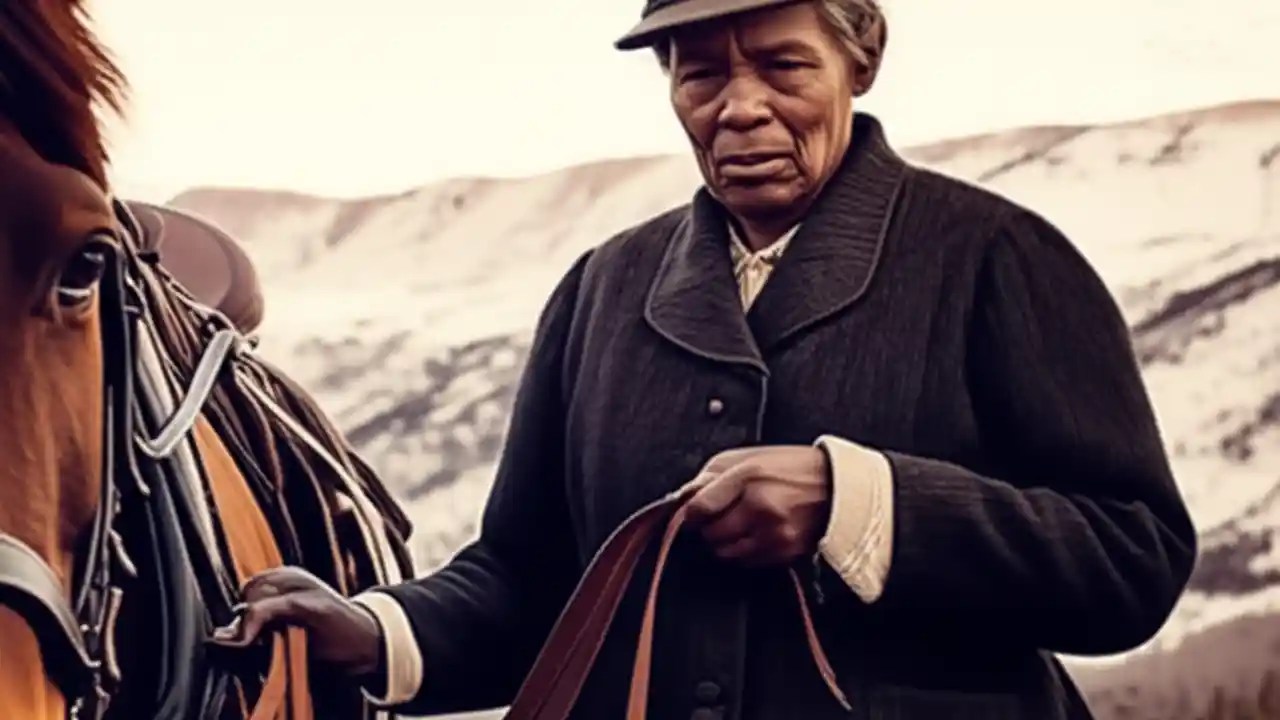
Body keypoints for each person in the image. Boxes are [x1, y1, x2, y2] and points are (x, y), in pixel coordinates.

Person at [210, 1, 1200, 718]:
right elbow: (529, 580)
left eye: (783, 66)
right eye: (700, 76)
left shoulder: (997, 258)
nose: (739, 107)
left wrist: (857, 504)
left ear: (859, 60)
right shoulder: (602, 289)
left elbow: (1132, 557)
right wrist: (374, 630)